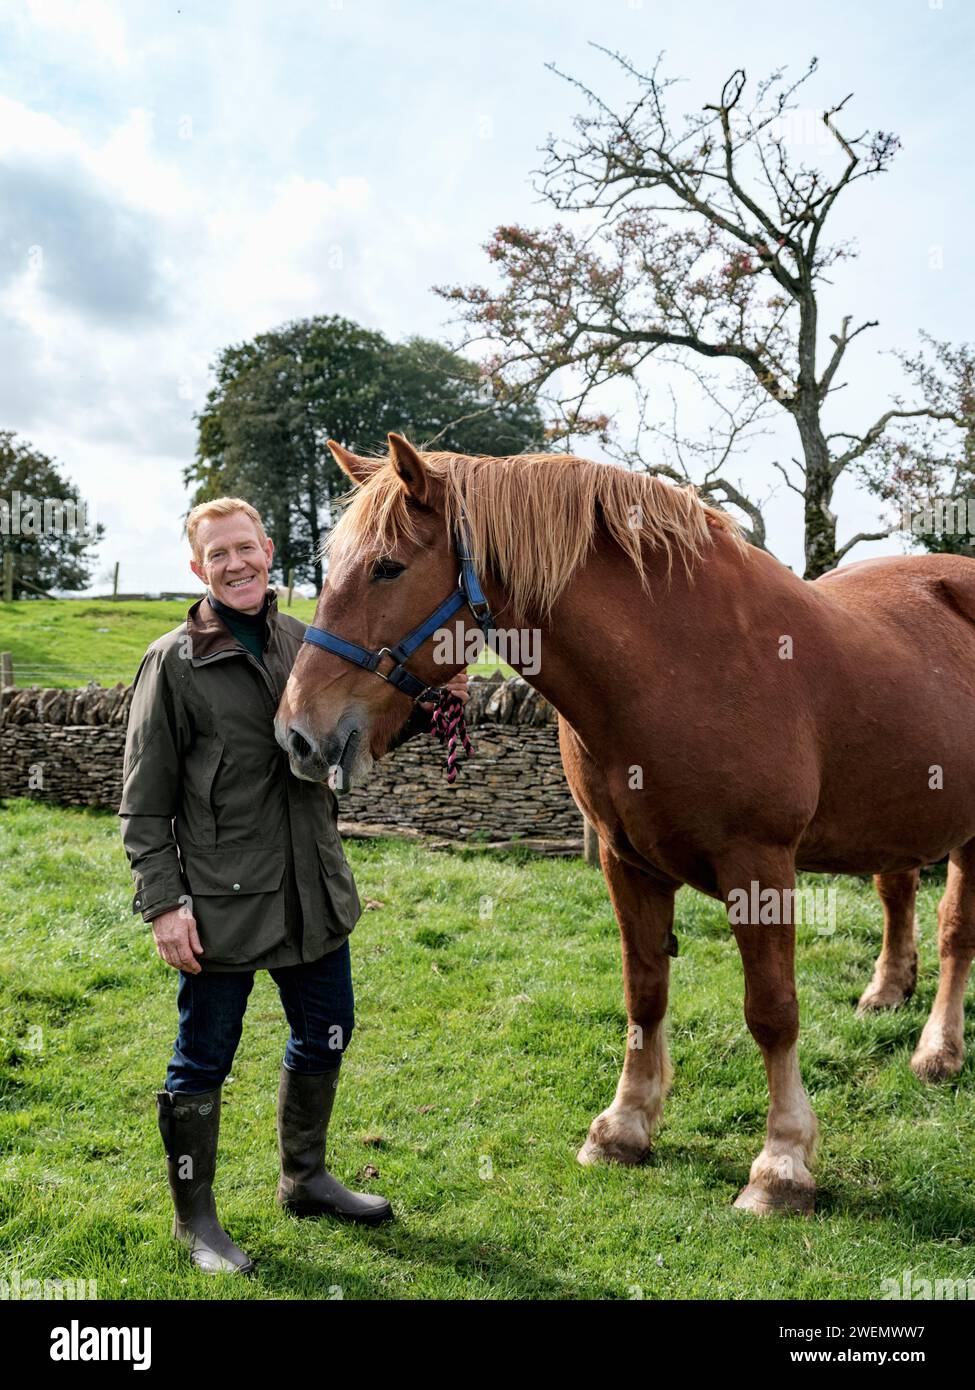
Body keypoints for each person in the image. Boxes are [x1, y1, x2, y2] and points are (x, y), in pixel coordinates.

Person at [119, 497, 468, 1274]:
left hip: (313, 887)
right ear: (198, 569)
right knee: (201, 1060)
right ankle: (196, 1220)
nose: (237, 563)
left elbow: (337, 749)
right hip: (218, 904)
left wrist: (423, 712)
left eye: (247, 547)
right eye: (219, 555)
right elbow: (143, 805)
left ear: (269, 549)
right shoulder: (173, 663)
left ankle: (304, 1178)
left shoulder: (309, 642)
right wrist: (164, 905)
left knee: (327, 1031)